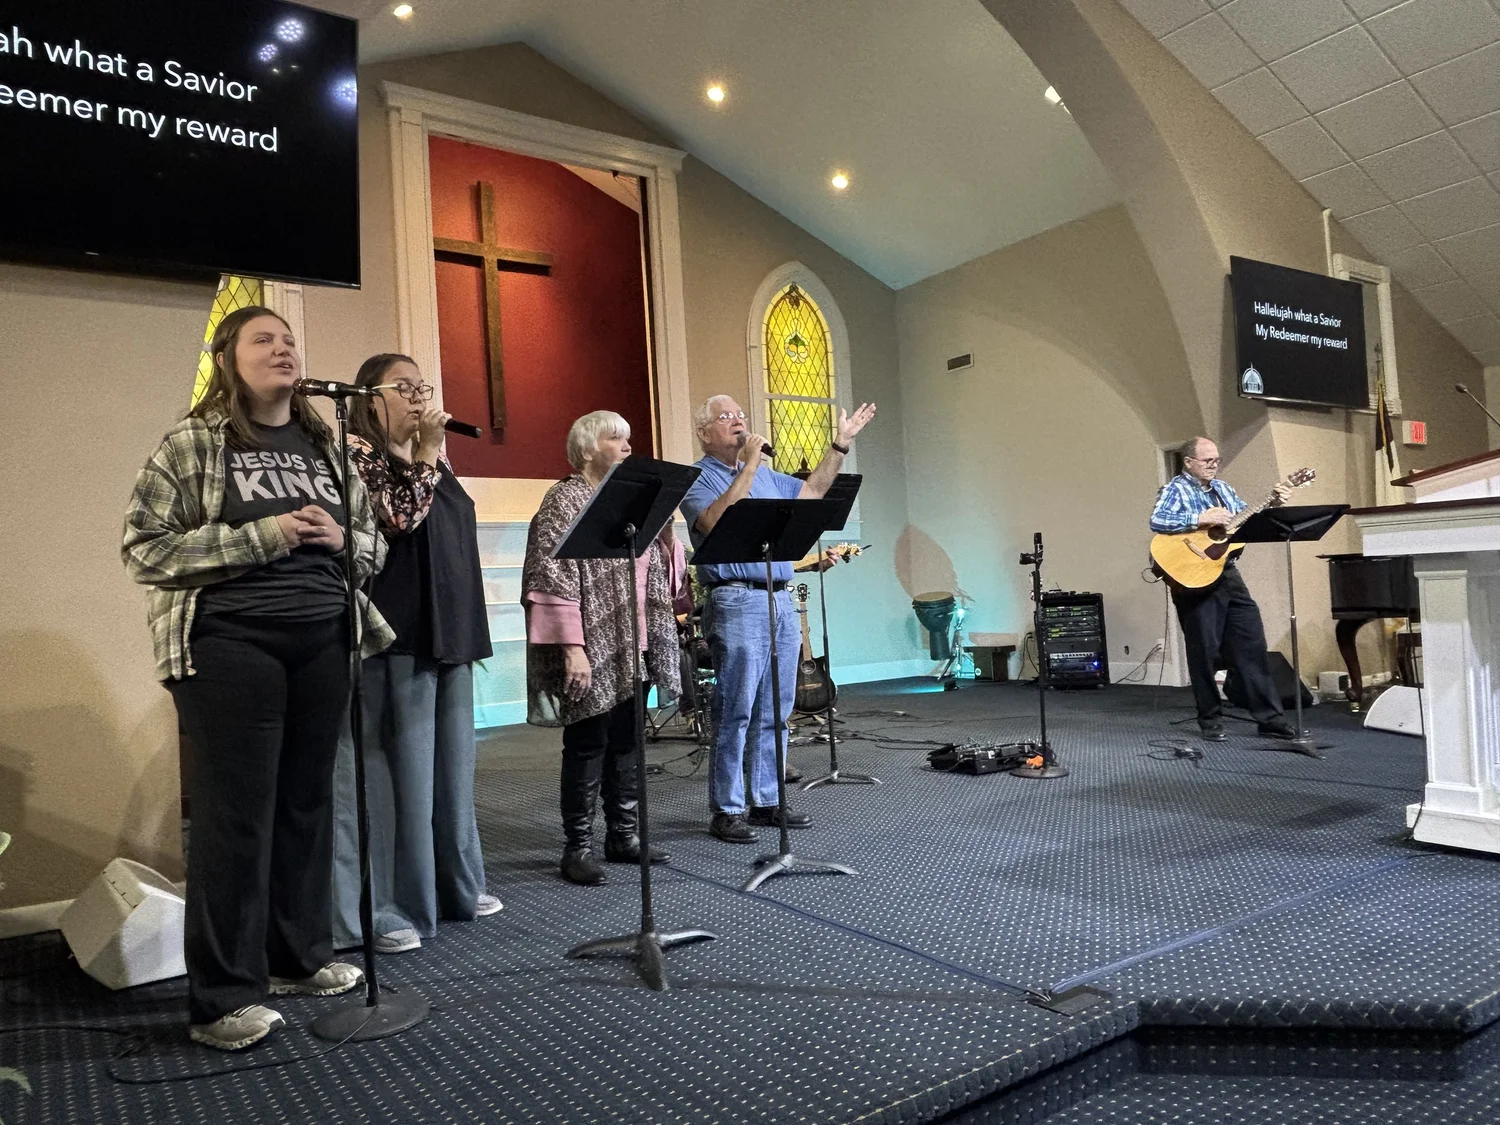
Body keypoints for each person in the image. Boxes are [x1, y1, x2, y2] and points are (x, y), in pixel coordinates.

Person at [122, 306, 389, 1051]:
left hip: (324, 639)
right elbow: (144, 546)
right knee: (235, 817)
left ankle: (296, 957)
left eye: (290, 338)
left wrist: (346, 539)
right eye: (263, 339)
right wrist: (263, 535)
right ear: (227, 359)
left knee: (306, 804)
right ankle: (221, 997)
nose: (283, 348)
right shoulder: (195, 440)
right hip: (231, 642)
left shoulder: (323, 442)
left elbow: (371, 547)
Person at [329, 354, 501, 956]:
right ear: (366, 399)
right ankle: (392, 904)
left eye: (422, 386)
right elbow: (399, 518)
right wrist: (424, 454)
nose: (419, 397)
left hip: (449, 630)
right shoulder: (355, 455)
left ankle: (454, 885)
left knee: (452, 771)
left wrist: (428, 455)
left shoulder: (434, 458)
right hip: (394, 635)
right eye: (404, 387)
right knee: (396, 774)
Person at [679, 395, 877, 843]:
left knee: (777, 709)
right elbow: (713, 521)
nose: (739, 422)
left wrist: (839, 446)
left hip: (780, 600)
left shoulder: (770, 477)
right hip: (735, 599)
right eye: (726, 417)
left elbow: (812, 495)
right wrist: (748, 465)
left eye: (741, 416)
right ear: (704, 432)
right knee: (736, 709)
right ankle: (727, 808)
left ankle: (766, 801)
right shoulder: (697, 479)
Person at [521, 411, 681, 885]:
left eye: (629, 438)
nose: (628, 446)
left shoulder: (633, 504)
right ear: (588, 449)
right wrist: (572, 647)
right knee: (589, 742)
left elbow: (661, 578)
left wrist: (668, 534)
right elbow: (549, 573)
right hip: (591, 642)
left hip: (634, 641)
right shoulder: (563, 500)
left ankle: (624, 836)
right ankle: (578, 847)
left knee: (629, 740)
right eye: (616, 438)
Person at [1149, 437, 1297, 742]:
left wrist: (1274, 503)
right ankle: (1210, 718)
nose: (1214, 465)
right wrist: (1201, 518)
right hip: (1193, 574)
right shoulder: (1176, 489)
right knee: (1203, 649)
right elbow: (1158, 520)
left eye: (1216, 460)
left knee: (1251, 642)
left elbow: (1248, 522)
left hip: (1226, 572)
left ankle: (1270, 718)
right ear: (1189, 462)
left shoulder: (1225, 490)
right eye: (1207, 461)